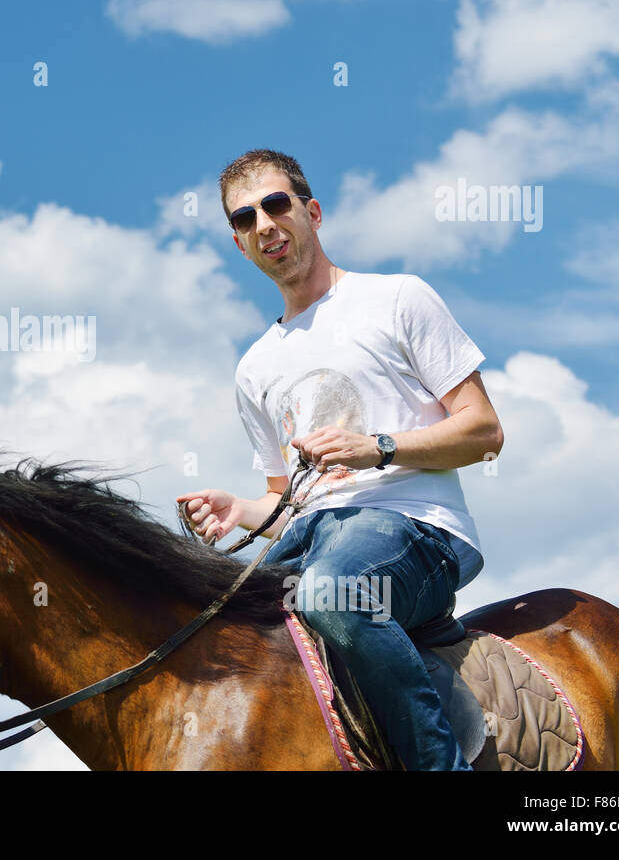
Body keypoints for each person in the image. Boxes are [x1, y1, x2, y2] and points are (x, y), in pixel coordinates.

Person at [177, 149, 504, 771]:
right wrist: (242, 510)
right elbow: (290, 506)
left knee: (329, 593)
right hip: (314, 536)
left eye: (277, 205)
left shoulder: (397, 299)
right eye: (245, 219)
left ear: (312, 212)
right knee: (192, 619)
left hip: (418, 528)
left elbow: (485, 432)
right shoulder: (254, 367)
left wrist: (378, 448)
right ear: (239, 243)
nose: (264, 224)